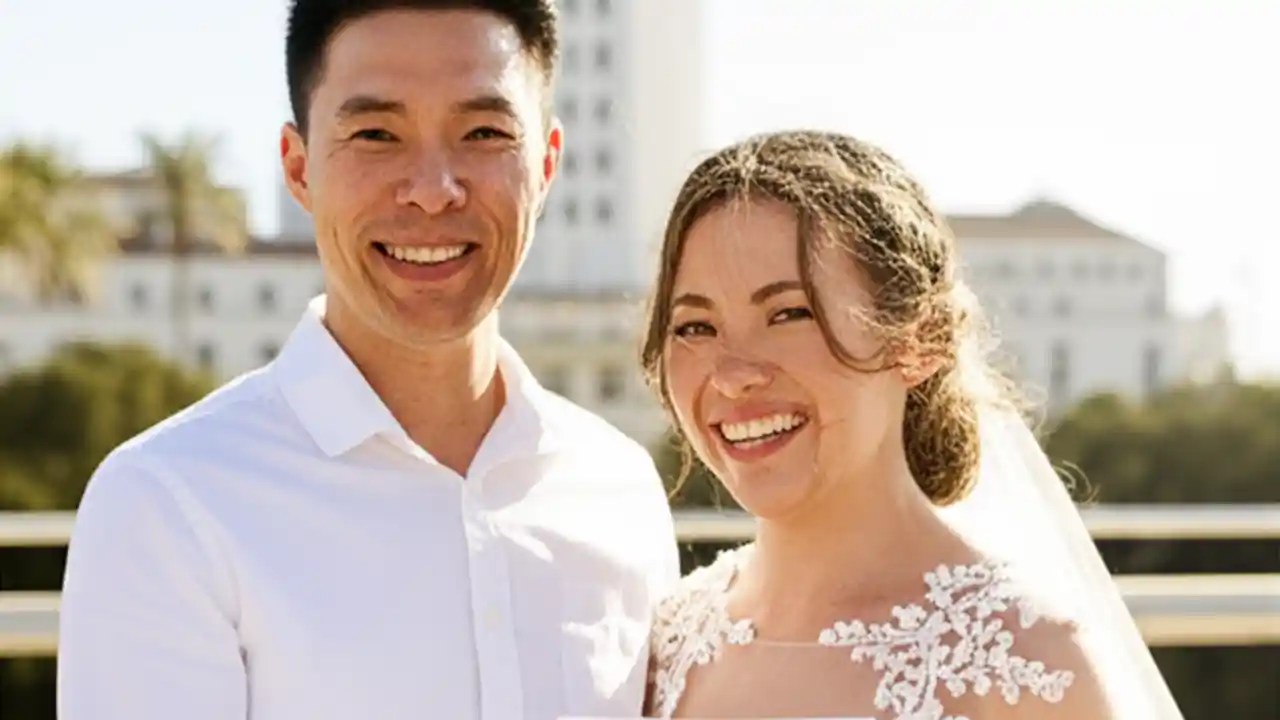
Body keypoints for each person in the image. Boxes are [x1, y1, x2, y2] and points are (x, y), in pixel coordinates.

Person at [57, 2, 678, 719]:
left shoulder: (619, 490)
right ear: (298, 167)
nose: (432, 190)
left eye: (483, 132)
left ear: (545, 164)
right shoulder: (167, 503)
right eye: (377, 134)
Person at [640, 130, 1183, 718]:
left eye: (789, 314)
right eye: (695, 327)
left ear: (921, 339)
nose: (732, 374)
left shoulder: (1027, 664)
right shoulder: (661, 643)